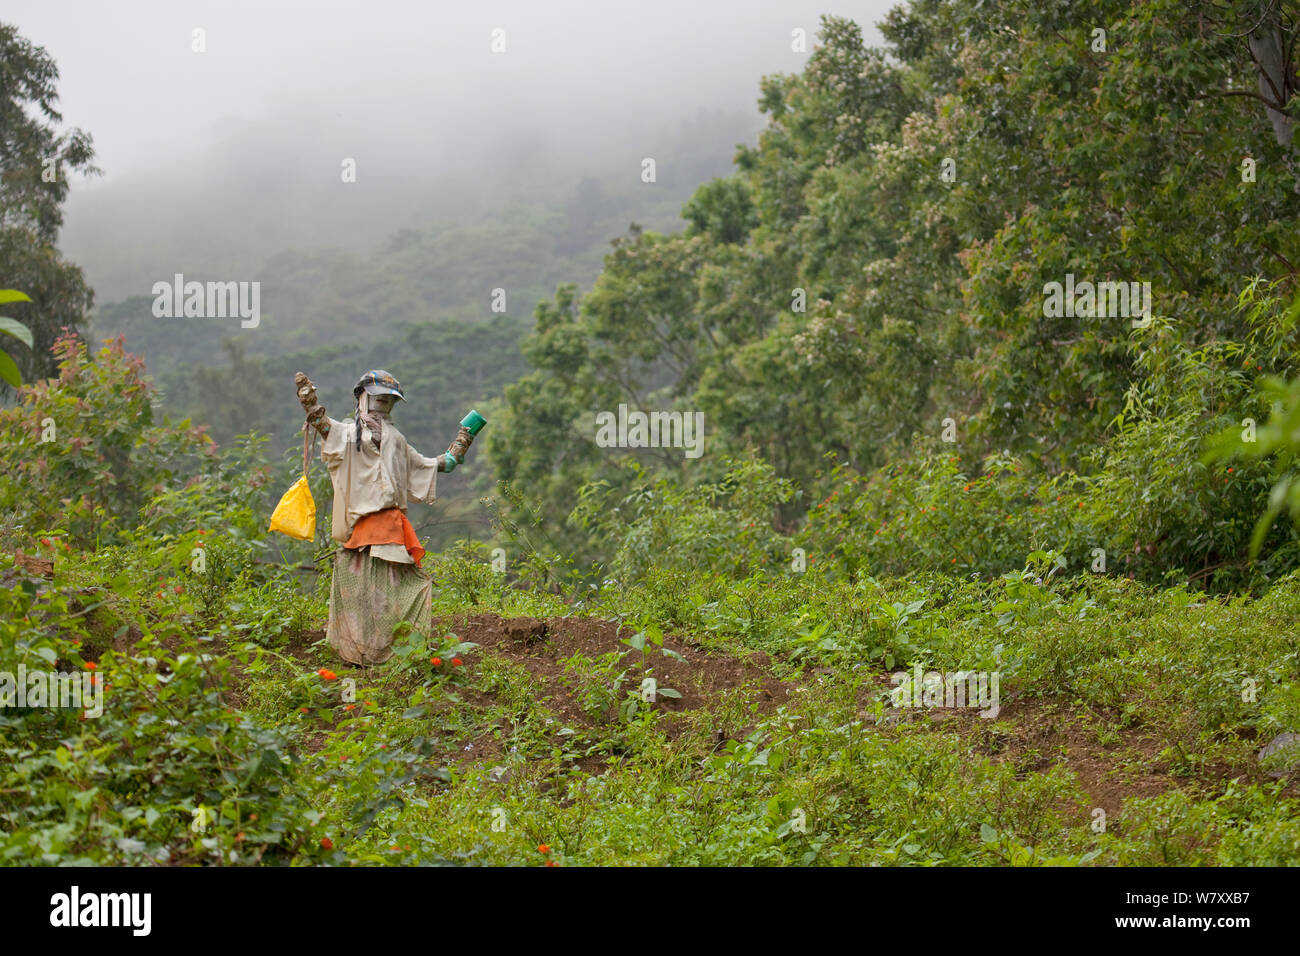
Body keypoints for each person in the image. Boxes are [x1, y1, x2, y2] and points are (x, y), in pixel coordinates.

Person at [294, 369, 474, 665]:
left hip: (391, 528)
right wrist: (310, 404)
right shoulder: (349, 433)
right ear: (364, 397)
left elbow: (434, 464)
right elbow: (323, 426)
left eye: (389, 400)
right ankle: (359, 653)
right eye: (380, 398)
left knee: (391, 592)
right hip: (360, 530)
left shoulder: (397, 440)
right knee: (362, 596)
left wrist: (462, 441)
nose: (384, 405)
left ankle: (394, 654)